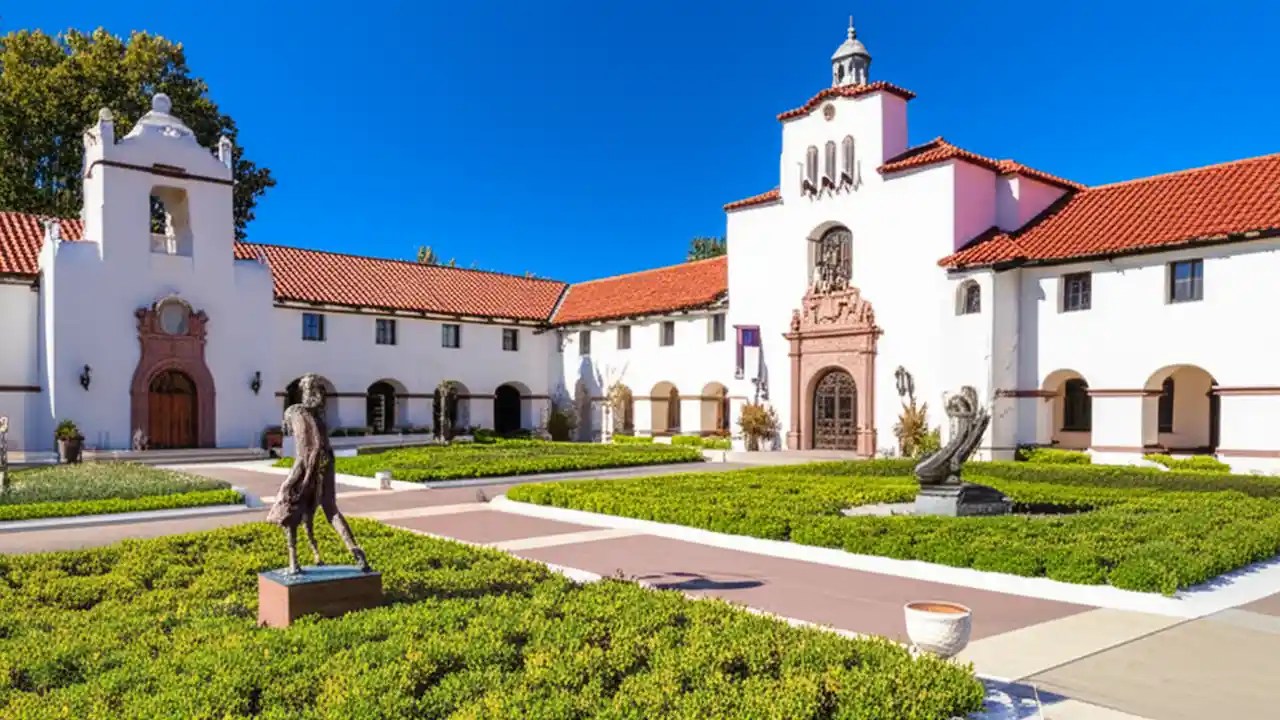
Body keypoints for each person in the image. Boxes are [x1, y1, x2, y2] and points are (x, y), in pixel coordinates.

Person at [267, 373, 371, 574]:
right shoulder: (315, 416)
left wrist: (291, 480)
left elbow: (301, 444)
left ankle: (294, 560)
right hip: (325, 462)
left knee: (291, 508)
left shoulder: (295, 411)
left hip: (308, 466)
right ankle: (352, 547)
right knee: (330, 510)